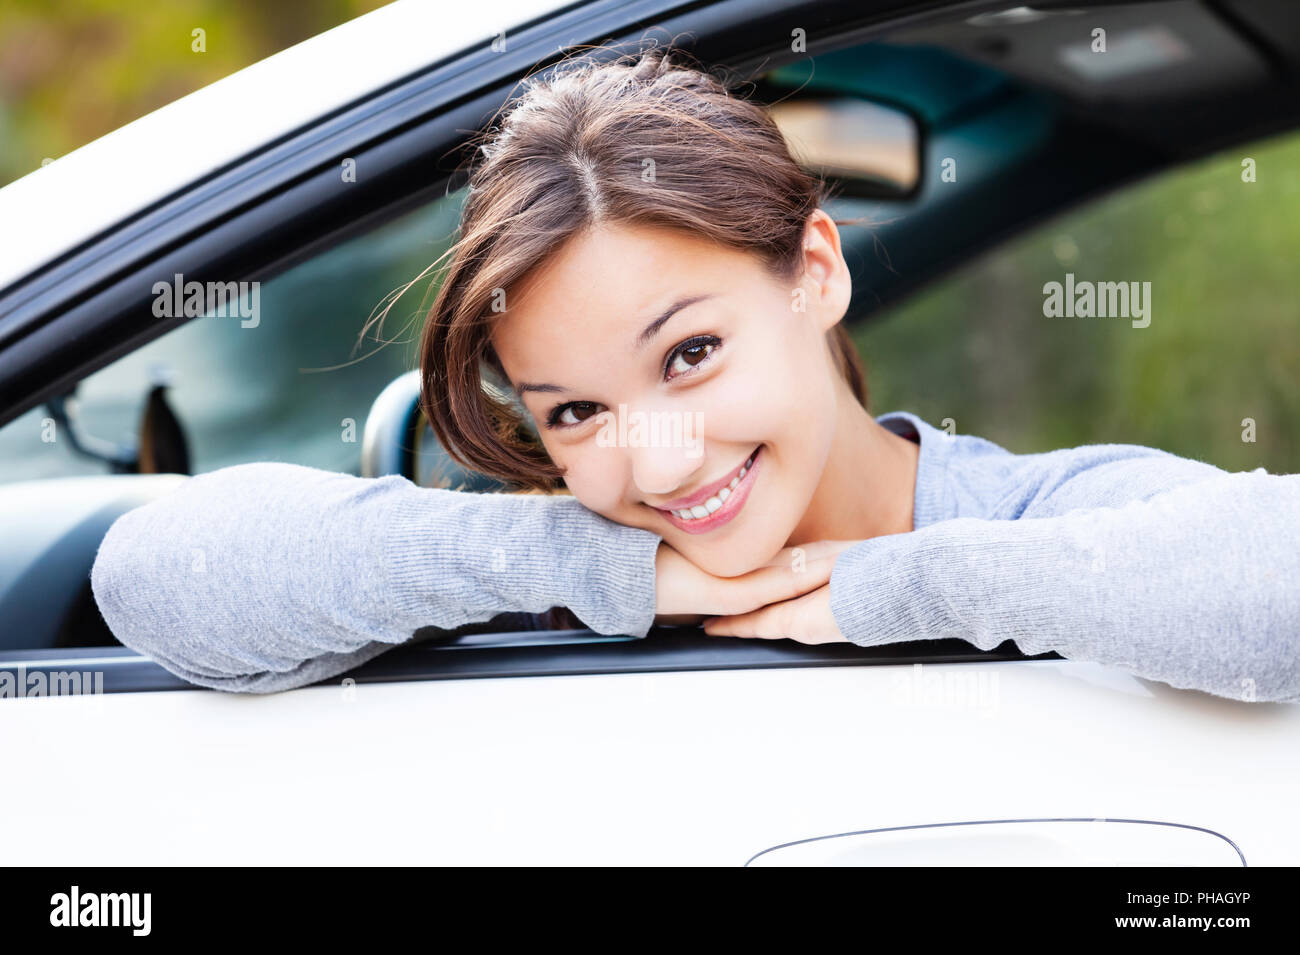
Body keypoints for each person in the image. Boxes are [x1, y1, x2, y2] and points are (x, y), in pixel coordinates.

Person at [90, 47, 1300, 700]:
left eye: (689, 354)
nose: (656, 455)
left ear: (813, 271)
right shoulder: (548, 578)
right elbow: (153, 577)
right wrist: (580, 560)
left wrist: (905, 587)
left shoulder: (1031, 525)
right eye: (574, 410)